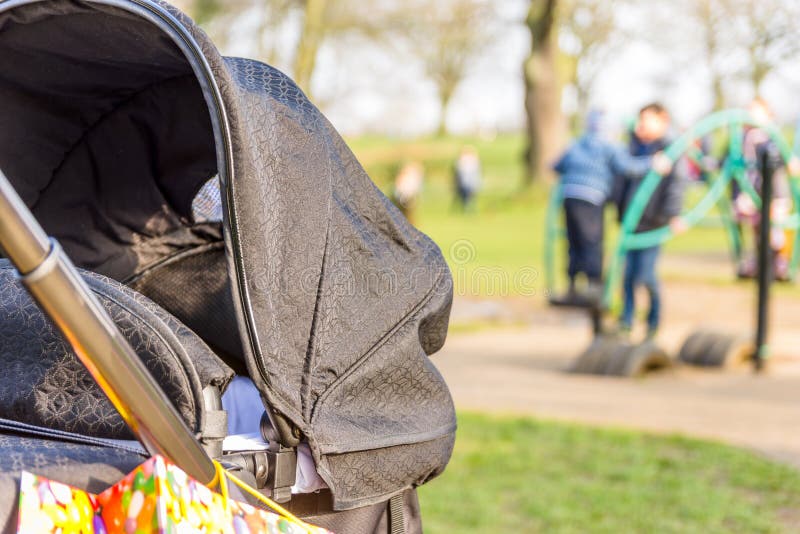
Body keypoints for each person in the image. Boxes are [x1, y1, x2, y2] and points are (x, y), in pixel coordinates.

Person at [552, 110, 670, 301]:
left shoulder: (576, 144)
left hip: (570, 196)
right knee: (592, 241)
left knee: (573, 241)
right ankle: (593, 285)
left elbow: (556, 166)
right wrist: (653, 164)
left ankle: (573, 285)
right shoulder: (610, 146)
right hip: (592, 197)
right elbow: (628, 167)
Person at [616, 102, 685, 338]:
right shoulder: (634, 148)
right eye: (640, 120)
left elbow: (677, 183)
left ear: (662, 120)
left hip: (654, 221)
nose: (642, 125)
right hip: (632, 221)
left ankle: (653, 320)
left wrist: (673, 214)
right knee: (627, 276)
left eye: (648, 120)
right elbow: (622, 180)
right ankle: (626, 319)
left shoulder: (670, 149)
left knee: (645, 274)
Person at [734, 98, 797, 281]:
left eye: (756, 111)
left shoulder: (771, 135)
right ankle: (761, 266)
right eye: (749, 110)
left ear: (768, 115)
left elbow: (782, 157)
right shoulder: (744, 137)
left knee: (774, 231)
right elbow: (733, 161)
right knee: (758, 230)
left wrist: (790, 162)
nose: (751, 115)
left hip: (775, 193)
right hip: (754, 193)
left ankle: (780, 266)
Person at [453, 146, 482, 211]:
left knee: (469, 197)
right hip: (465, 183)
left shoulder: (472, 161)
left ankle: (469, 209)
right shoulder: (461, 162)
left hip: (470, 183)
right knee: (465, 197)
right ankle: (467, 209)